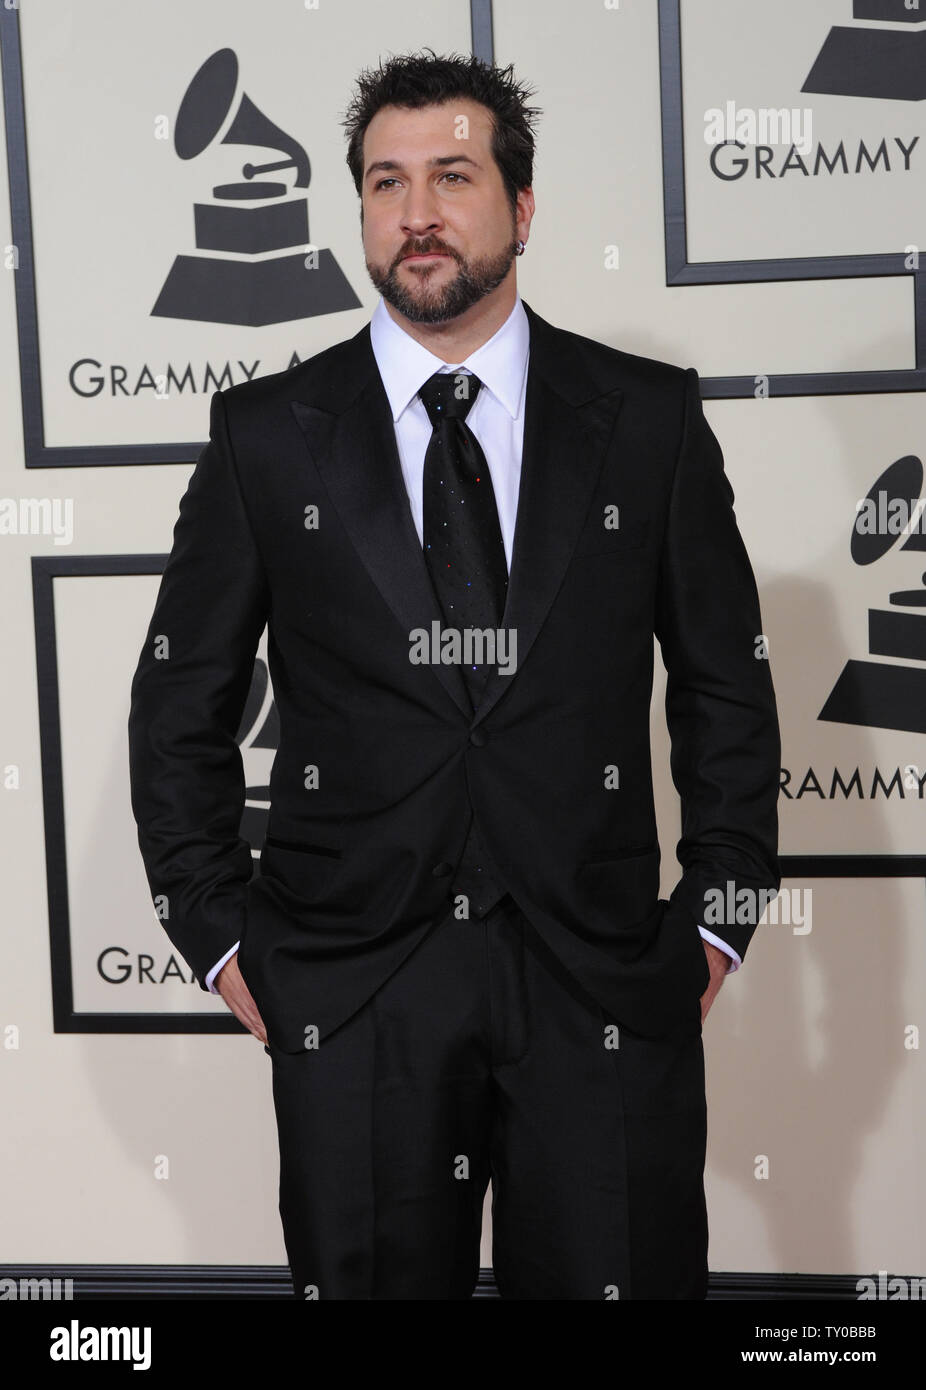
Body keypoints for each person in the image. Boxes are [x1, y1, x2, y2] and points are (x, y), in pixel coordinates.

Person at [128, 49, 780, 1300]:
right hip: (354, 982)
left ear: (520, 208)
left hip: (597, 976)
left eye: (451, 176)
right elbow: (179, 703)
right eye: (384, 182)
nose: (415, 211)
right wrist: (215, 937)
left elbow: (725, 688)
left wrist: (716, 918)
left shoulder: (644, 420)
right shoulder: (268, 436)